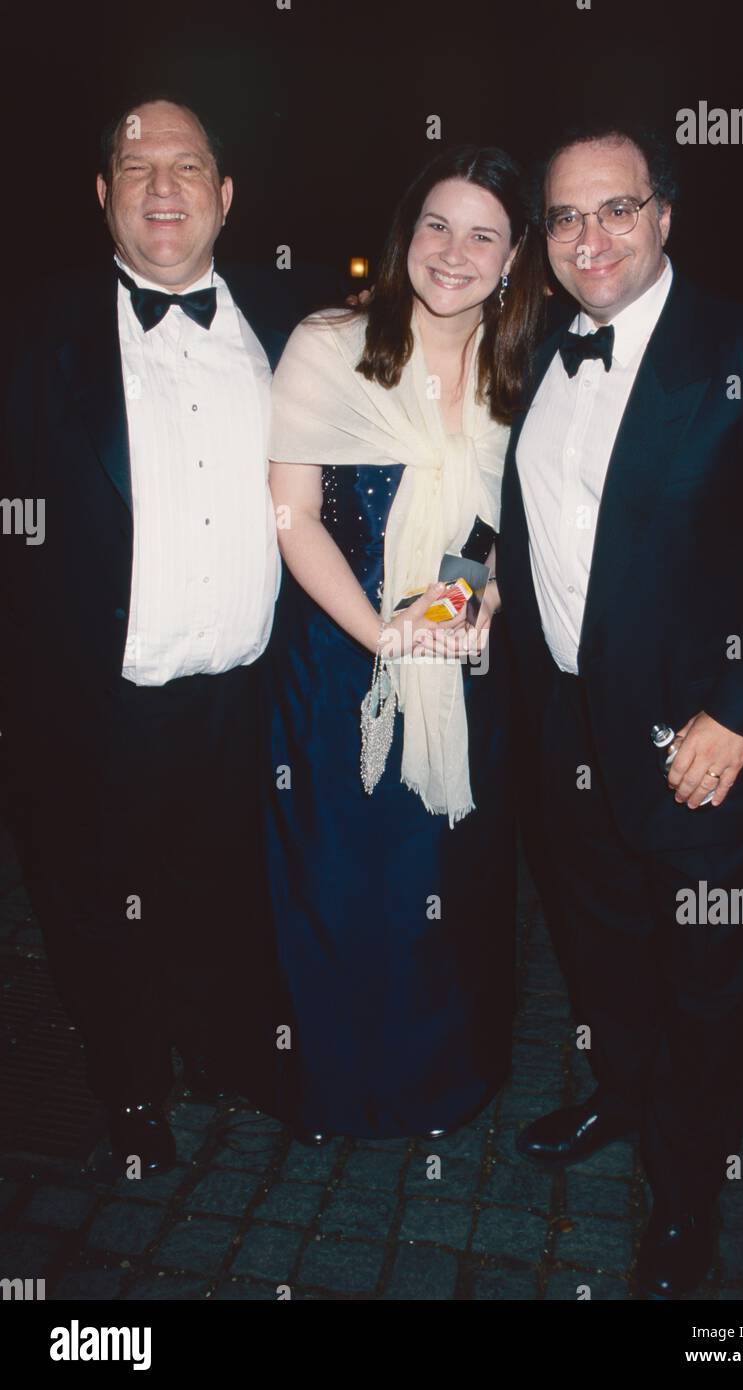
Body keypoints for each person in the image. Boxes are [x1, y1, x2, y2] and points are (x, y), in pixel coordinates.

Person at [497, 122, 743, 1297]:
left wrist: (740, 715)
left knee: (708, 978)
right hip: (568, 736)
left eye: (618, 208)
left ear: (665, 216)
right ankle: (623, 1096)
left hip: (705, 752)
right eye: (565, 216)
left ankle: (690, 1194)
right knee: (604, 949)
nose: (590, 236)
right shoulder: (543, 345)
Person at [0, 95, 335, 1171]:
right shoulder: (32, 330)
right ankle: (131, 1085)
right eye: (136, 168)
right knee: (97, 908)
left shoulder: (294, 327)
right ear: (102, 196)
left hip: (245, 697)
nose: (161, 188)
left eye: (186, 167)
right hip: (93, 702)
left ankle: (235, 1053)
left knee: (230, 891)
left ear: (226, 198)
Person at [266, 146, 545, 1140]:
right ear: (405, 235)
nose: (455, 251)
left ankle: (438, 1082)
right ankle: (337, 1088)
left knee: (444, 877)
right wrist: (383, 632)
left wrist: (462, 607)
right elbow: (294, 517)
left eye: (484, 234)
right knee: (340, 879)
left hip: (454, 669)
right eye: (437, 224)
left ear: (513, 256)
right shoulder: (328, 342)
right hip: (339, 665)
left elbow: (494, 523)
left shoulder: (519, 368)